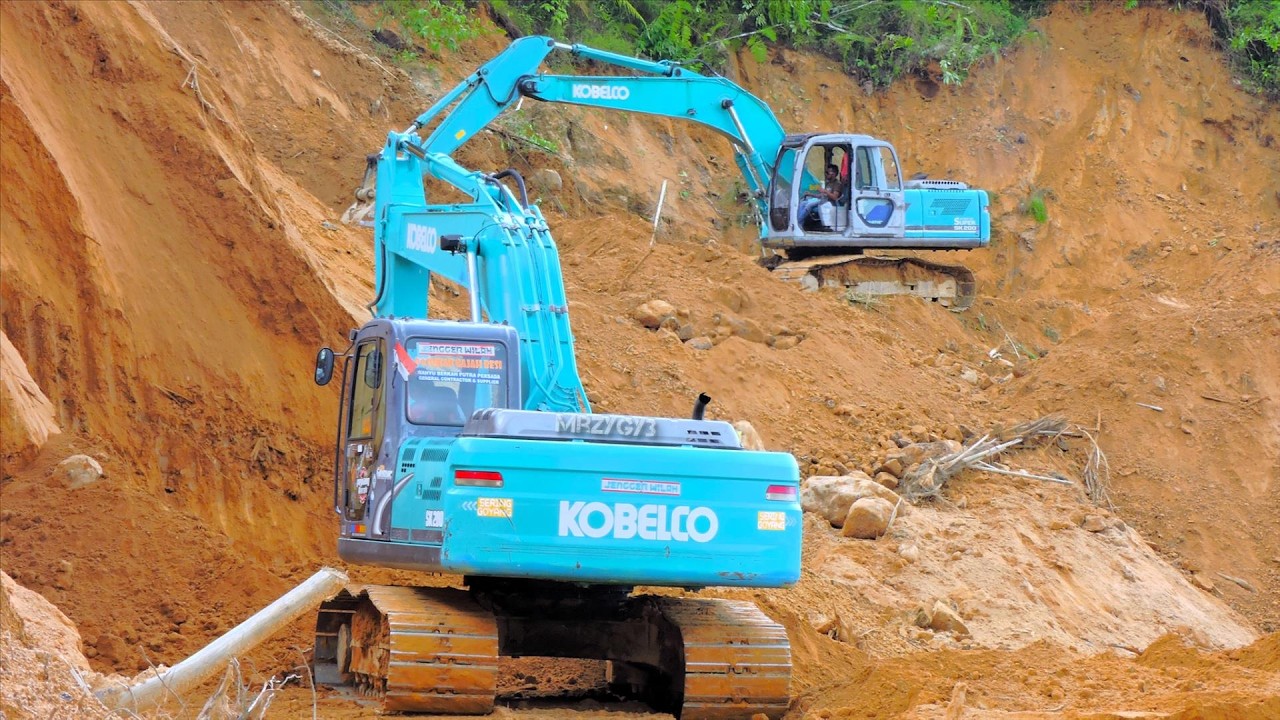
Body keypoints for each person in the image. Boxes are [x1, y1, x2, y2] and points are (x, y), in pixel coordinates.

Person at [798, 164, 845, 228]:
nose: (826, 174)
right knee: (803, 203)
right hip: (823, 201)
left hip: (829, 203)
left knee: (809, 205)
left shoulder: (837, 184)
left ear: (833, 174)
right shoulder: (828, 183)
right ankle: (797, 219)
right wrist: (811, 194)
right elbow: (823, 195)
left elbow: (835, 197)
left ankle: (799, 223)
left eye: (827, 172)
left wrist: (825, 191)